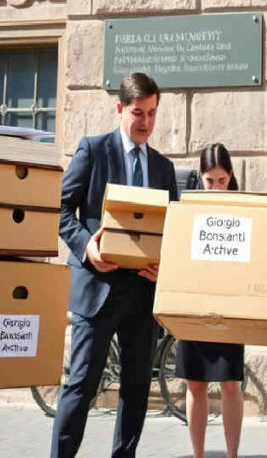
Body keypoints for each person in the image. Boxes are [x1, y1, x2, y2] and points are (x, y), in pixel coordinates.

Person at [51, 72, 179, 458]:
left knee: (138, 388)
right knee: (81, 386)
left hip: (143, 292)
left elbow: (172, 227)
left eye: (153, 114)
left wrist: (165, 266)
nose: (146, 123)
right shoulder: (93, 150)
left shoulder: (163, 168)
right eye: (139, 113)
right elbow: (59, 210)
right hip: (97, 288)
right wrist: (86, 247)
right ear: (120, 108)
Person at [177, 143, 245, 458]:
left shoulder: (245, 210)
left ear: (231, 176)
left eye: (221, 180)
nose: (216, 187)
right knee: (195, 384)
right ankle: (198, 455)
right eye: (209, 180)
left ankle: (232, 455)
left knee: (230, 383)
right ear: (199, 178)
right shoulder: (188, 209)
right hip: (195, 303)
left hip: (230, 305)